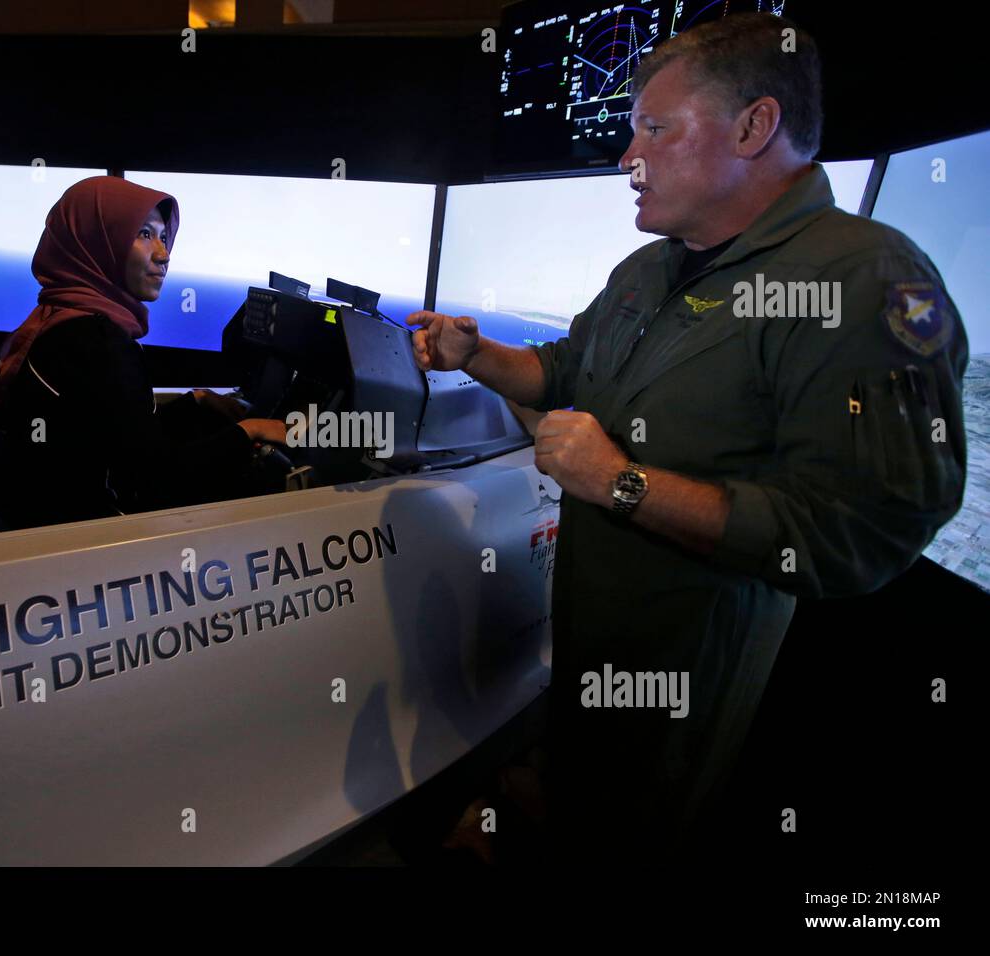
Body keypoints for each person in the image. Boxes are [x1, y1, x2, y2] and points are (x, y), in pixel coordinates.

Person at [408, 13, 967, 858]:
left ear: (755, 126)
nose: (626, 158)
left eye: (655, 130)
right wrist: (474, 352)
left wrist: (621, 483)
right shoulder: (654, 265)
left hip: (696, 688)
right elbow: (568, 371)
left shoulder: (867, 280)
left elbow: (860, 529)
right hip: (596, 644)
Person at [0, 176, 287, 526]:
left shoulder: (61, 320)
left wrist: (196, 400)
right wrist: (251, 430)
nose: (163, 255)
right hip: (91, 542)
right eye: (144, 234)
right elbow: (159, 481)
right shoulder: (99, 344)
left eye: (164, 237)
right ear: (96, 240)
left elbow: (122, 436)